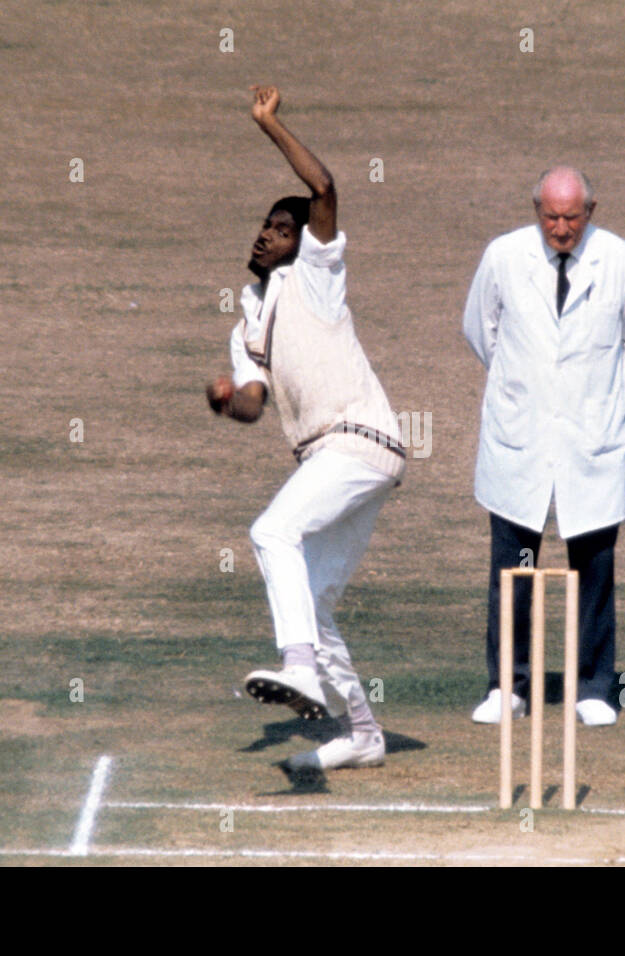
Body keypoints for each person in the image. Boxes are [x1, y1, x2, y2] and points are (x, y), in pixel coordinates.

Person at [206, 85, 406, 770]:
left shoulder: (314, 275)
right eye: (265, 225)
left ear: (302, 245)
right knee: (317, 608)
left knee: (271, 532)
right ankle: (364, 735)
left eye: (282, 228)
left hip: (358, 439)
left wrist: (269, 123)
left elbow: (322, 184)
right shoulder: (247, 322)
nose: (268, 233)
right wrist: (227, 399)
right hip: (336, 460)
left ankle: (296, 666)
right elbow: (255, 404)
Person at [462, 166, 625, 727]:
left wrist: (589, 394)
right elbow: (482, 333)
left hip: (589, 439)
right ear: (536, 210)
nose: (561, 228)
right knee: (513, 565)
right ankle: (508, 685)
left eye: (572, 217)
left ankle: (595, 685)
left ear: (590, 212)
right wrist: (528, 388)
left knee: (593, 566)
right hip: (519, 438)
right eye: (550, 216)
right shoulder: (502, 256)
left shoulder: (622, 262)